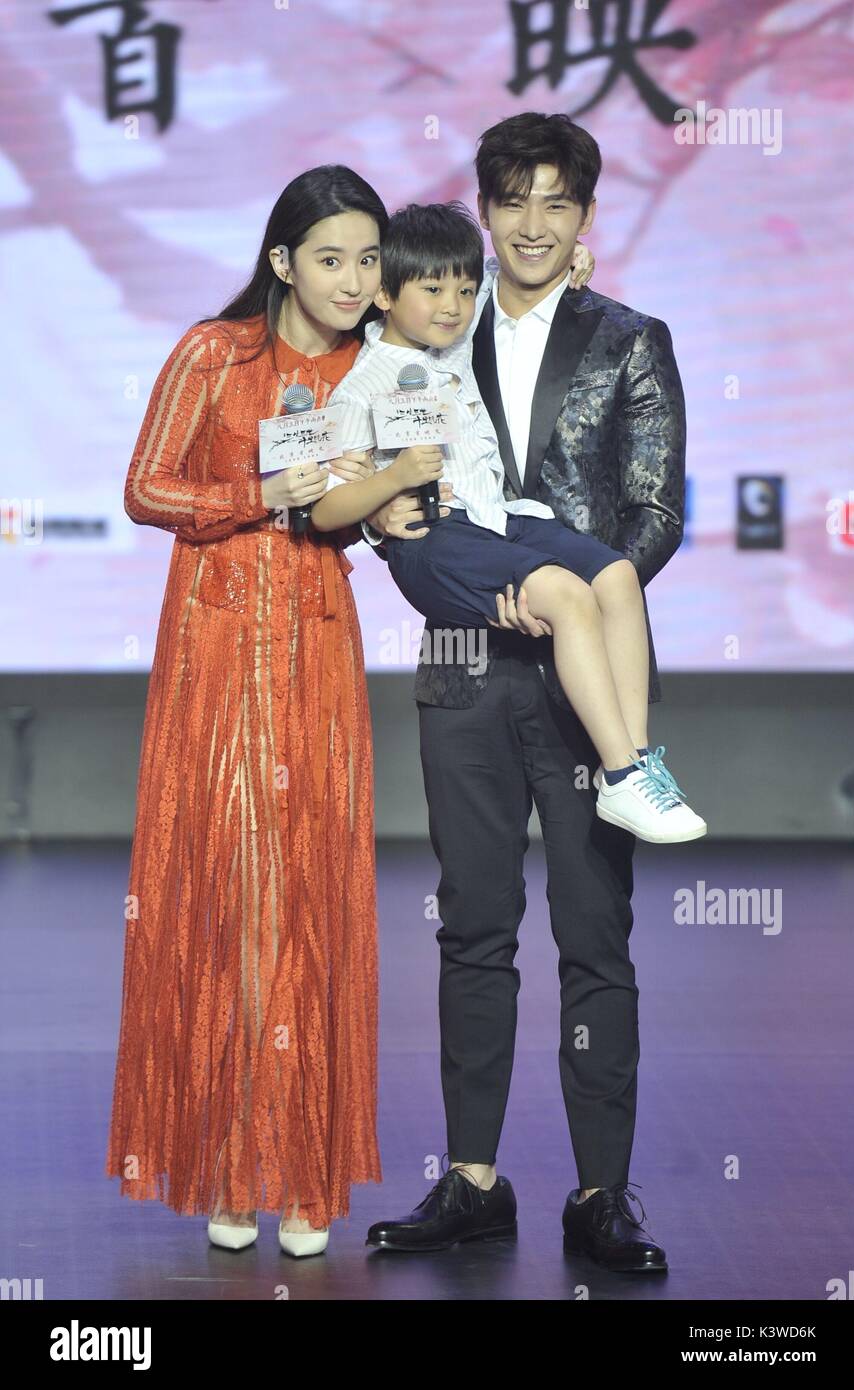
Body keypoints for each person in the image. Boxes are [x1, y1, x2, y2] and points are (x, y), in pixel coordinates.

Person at [351, 112, 687, 1270]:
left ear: (585, 217)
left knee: (596, 935)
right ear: (484, 212)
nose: (534, 224)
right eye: (514, 202)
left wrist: (570, 598)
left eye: (558, 203)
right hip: (458, 662)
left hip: (583, 676)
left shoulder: (630, 338)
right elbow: (387, 486)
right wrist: (404, 539)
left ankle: (600, 1193)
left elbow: (655, 513)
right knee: (473, 929)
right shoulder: (425, 320)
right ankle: (472, 1180)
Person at [104, 165, 412, 1257]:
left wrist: (404, 495)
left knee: (316, 902)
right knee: (229, 902)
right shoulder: (213, 351)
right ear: (282, 261)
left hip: (318, 649)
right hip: (216, 650)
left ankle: (306, 1171)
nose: (351, 277)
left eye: (367, 259)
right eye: (329, 256)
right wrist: (254, 496)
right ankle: (233, 1163)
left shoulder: (380, 372)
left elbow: (376, 510)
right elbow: (145, 488)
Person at [312, 202, 706, 845]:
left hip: (501, 520)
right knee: (569, 595)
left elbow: (506, 283)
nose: (452, 305)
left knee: (613, 574)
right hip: (438, 538)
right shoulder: (360, 386)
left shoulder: (459, 339)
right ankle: (620, 768)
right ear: (384, 293)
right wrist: (383, 493)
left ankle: (632, 771)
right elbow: (328, 501)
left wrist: (563, 264)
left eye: (464, 293)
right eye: (434, 291)